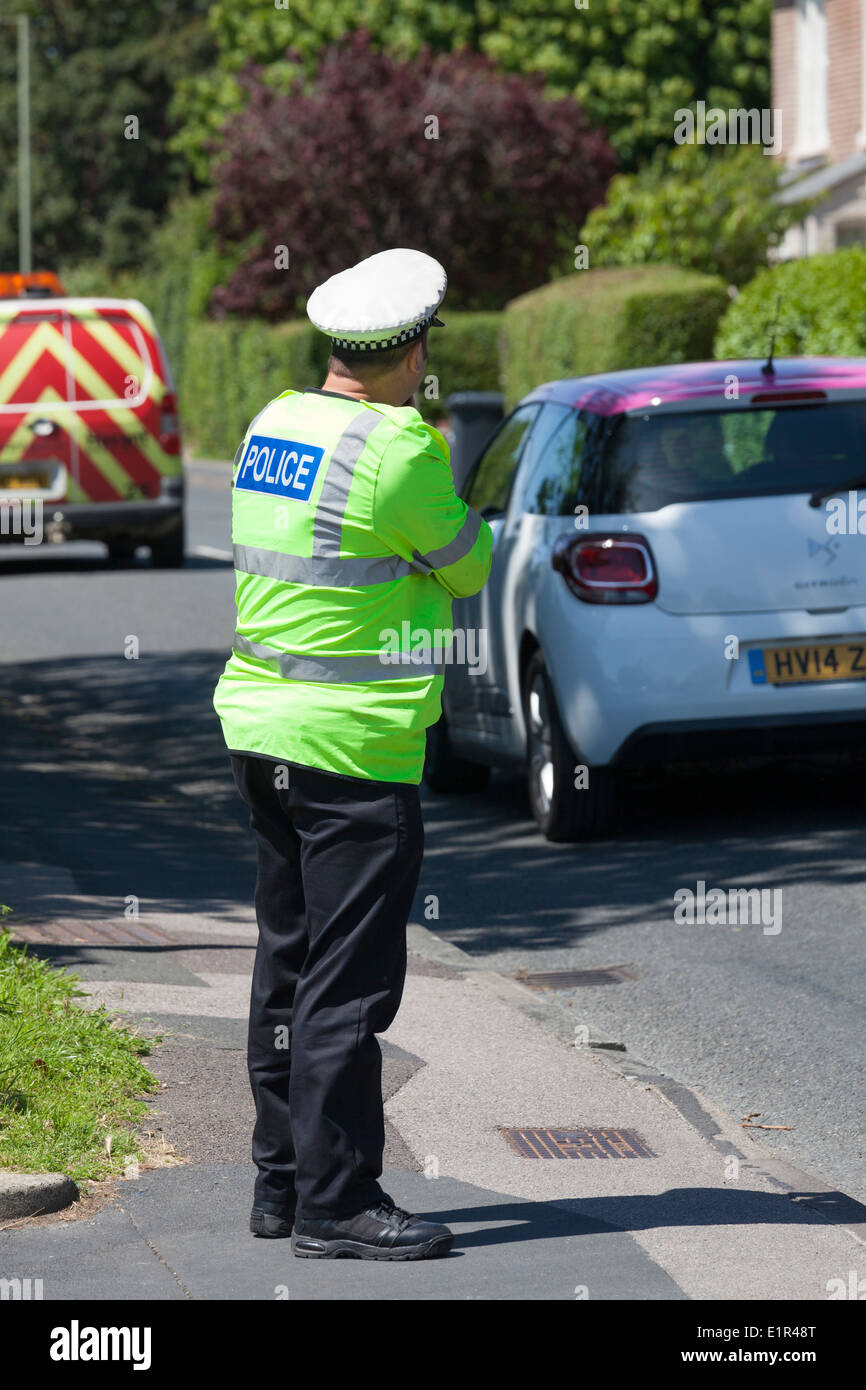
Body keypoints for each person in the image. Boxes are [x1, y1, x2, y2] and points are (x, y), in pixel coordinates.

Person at [213, 248, 493, 1261]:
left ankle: (279, 1183)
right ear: (409, 349)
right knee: (349, 979)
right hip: (354, 750)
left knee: (284, 960)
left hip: (261, 732)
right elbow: (469, 565)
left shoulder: (271, 425)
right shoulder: (402, 450)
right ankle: (340, 1199)